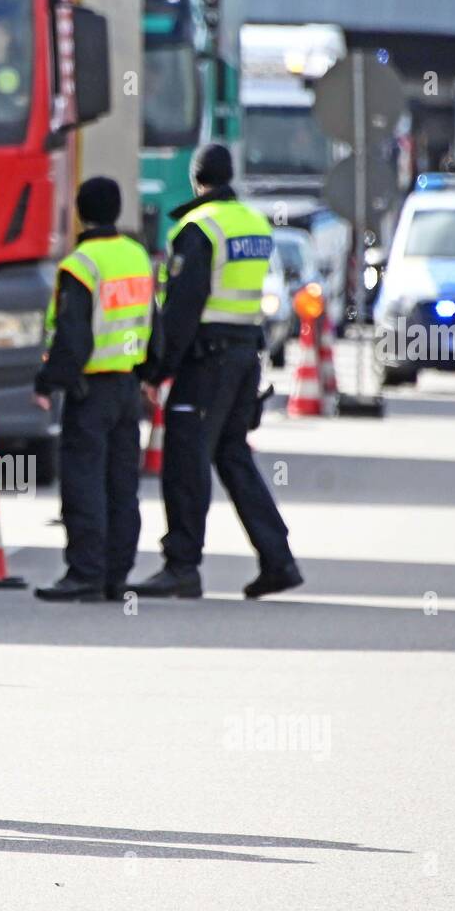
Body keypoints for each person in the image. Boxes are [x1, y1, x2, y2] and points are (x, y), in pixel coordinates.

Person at [131, 143, 303, 600]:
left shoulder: (199, 228)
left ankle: (181, 566)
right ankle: (278, 560)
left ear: (196, 180)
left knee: (186, 461)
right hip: (244, 356)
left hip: (206, 362)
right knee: (233, 458)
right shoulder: (254, 222)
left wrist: (157, 369)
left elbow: (183, 308)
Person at [33, 177, 153, 602]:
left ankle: (85, 573)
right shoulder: (137, 256)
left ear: (80, 212)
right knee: (123, 484)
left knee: (84, 483)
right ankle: (117, 575)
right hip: (128, 388)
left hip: (90, 391)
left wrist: (49, 382)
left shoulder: (81, 265)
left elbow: (73, 337)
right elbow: (149, 319)